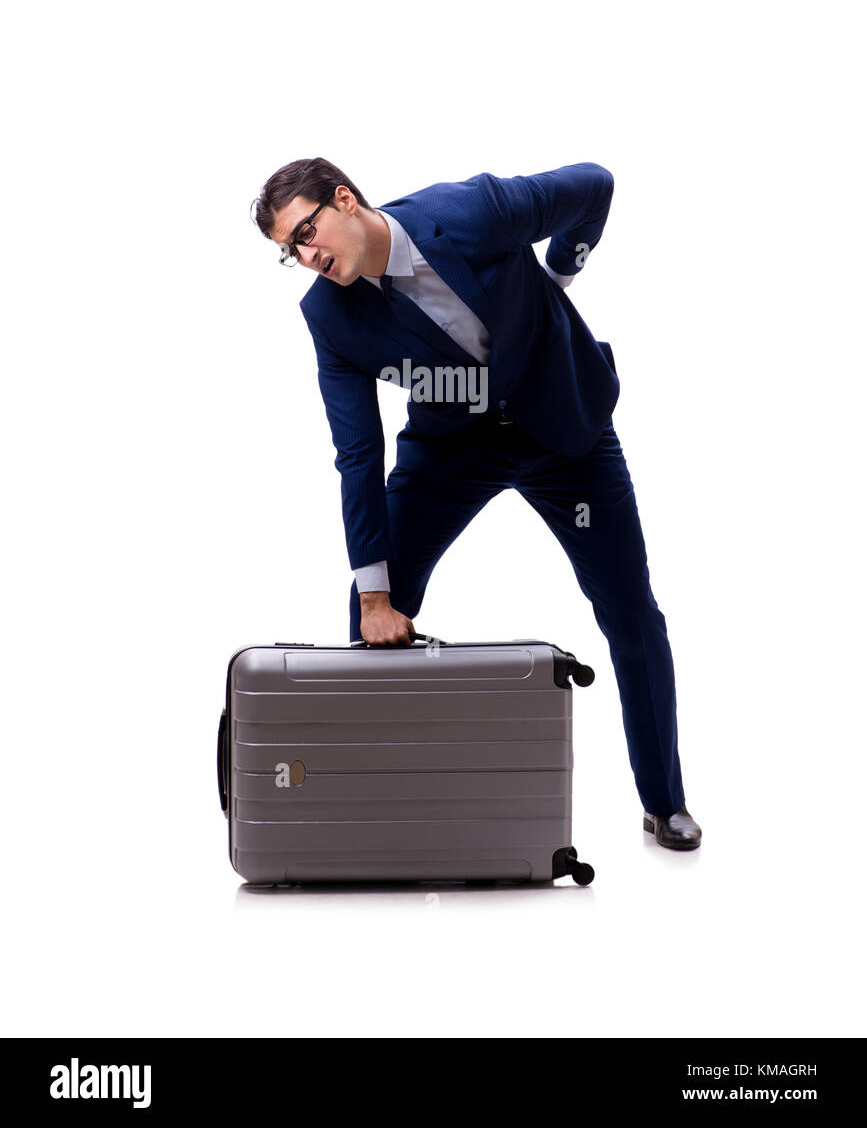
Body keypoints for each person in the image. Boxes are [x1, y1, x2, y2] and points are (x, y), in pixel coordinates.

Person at [251, 156, 702, 851]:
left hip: (564, 432)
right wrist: (375, 597)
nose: (307, 256)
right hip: (452, 447)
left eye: (308, 231)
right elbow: (358, 455)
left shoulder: (473, 212)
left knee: (629, 609)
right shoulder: (329, 315)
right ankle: (372, 805)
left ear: (344, 200)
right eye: (291, 251)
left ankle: (663, 802)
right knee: (375, 598)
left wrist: (559, 276)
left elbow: (594, 187)